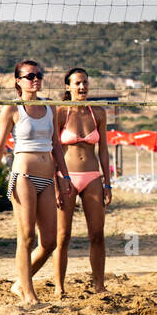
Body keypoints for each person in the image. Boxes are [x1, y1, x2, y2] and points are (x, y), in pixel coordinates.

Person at [0, 60, 74, 306]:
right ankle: (29, 294)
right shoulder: (12, 109)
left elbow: (56, 145)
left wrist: (64, 176)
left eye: (38, 75)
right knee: (26, 237)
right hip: (23, 175)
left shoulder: (49, 108)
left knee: (50, 242)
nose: (36, 79)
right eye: (30, 75)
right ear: (18, 82)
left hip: (46, 177)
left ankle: (20, 283)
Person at [55, 67, 112, 296]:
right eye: (77, 83)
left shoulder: (97, 112)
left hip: (92, 177)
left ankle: (99, 286)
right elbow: (54, 149)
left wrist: (108, 183)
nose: (82, 87)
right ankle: (59, 287)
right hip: (66, 177)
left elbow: (104, 150)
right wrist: (56, 182)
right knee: (62, 236)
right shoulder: (60, 112)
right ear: (68, 86)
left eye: (85, 82)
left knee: (97, 234)